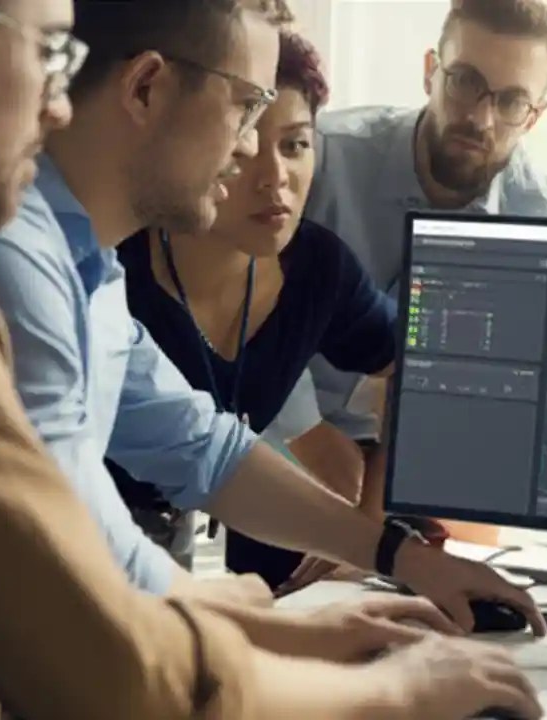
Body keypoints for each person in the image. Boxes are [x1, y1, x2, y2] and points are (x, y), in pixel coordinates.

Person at [0, 1, 546, 718]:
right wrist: (389, 695)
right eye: (49, 55)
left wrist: (373, 568)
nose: (59, 104)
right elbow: (83, 639)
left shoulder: (57, 253)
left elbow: (191, 445)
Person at [0, 0, 547, 637]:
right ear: (146, 88)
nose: (250, 150)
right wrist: (297, 641)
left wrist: (399, 557)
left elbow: (204, 449)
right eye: (246, 108)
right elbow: (68, 556)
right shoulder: (12, 257)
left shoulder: (90, 265)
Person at [273, 0, 547, 597]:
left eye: (511, 100)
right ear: (429, 72)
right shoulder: (320, 155)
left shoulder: (540, 213)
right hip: (289, 439)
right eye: (466, 83)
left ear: (535, 115)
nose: (481, 117)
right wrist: (310, 435)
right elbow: (241, 298)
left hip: (413, 466)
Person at [116, 30, 398, 591]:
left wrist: (375, 528)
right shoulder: (115, 259)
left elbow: (417, 367)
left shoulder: (317, 268)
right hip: (74, 540)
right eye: (244, 139)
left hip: (173, 551)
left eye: (295, 145)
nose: (274, 177)